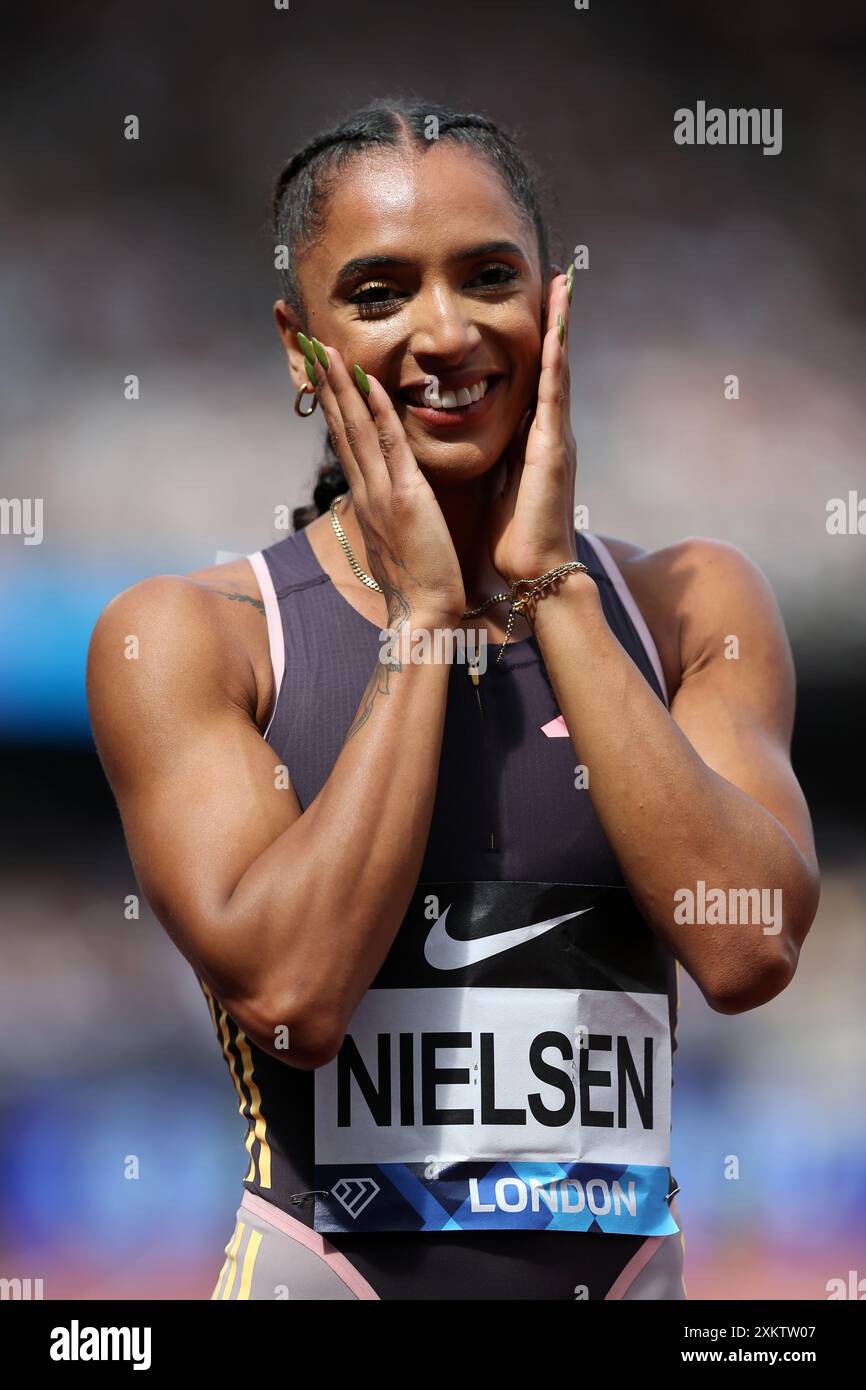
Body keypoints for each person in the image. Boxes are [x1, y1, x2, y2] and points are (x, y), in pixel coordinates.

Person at [86, 99, 820, 1300]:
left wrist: (553, 595)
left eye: (489, 276)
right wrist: (421, 626)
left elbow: (744, 948)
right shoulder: (194, 638)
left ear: (553, 303)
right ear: (297, 344)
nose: (443, 332)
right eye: (377, 293)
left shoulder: (690, 606)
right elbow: (293, 994)